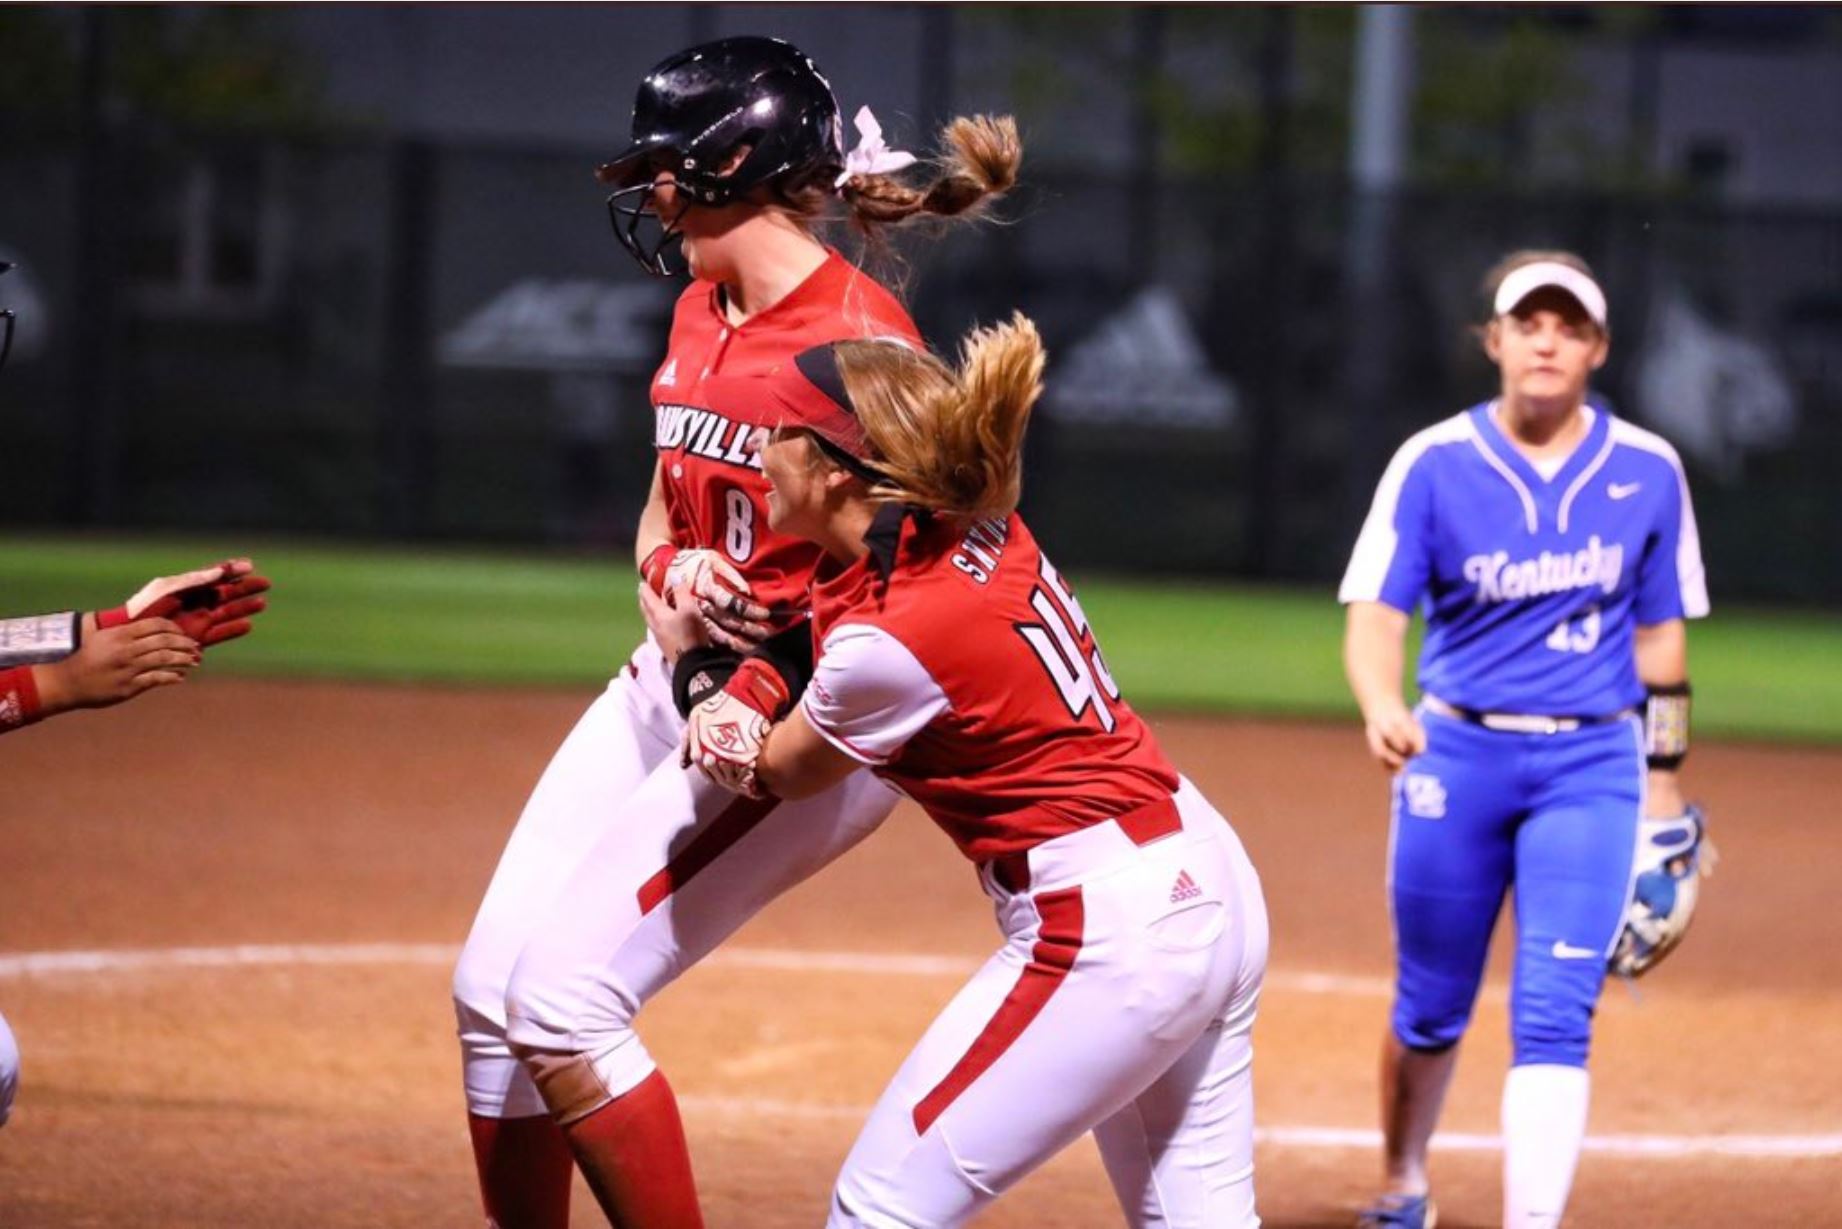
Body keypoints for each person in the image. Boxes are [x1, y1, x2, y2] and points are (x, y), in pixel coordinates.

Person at [449, 35, 1021, 1228]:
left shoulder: (861, 347)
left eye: (667, 165)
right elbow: (665, 504)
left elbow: (904, 594)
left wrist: (737, 680)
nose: (652, 191)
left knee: (563, 1001)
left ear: (732, 164)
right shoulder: (700, 309)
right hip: (679, 682)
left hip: (784, 726)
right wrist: (671, 571)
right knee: (485, 991)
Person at [646, 316, 1268, 1228]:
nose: (756, 448)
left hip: (1107, 926)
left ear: (832, 471)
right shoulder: (956, 525)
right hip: (1200, 873)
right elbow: (819, 632)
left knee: (880, 1207)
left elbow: (778, 771)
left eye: (777, 431)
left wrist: (692, 671)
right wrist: (752, 677)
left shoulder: (894, 639)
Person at [1338, 251, 1709, 1229]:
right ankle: (1404, 1176)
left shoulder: (1648, 469)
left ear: (1597, 349)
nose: (1547, 339)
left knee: (1553, 1012)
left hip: (1592, 763)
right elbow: (1378, 610)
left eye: (1569, 325)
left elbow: (1661, 633)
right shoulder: (1433, 462)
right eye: (1527, 322)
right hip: (1455, 759)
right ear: (1494, 340)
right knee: (1430, 1004)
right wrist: (1382, 699)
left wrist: (1663, 786)